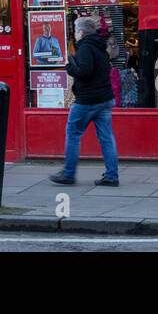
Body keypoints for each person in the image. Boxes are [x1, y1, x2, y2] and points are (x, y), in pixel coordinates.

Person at [50, 16, 119, 186]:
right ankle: (112, 175)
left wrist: (68, 65)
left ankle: (68, 173)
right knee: (106, 137)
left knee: (73, 133)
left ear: (80, 32)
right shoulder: (100, 47)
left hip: (88, 100)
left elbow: (85, 72)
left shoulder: (85, 48)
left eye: (75, 30)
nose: (75, 34)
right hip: (104, 98)